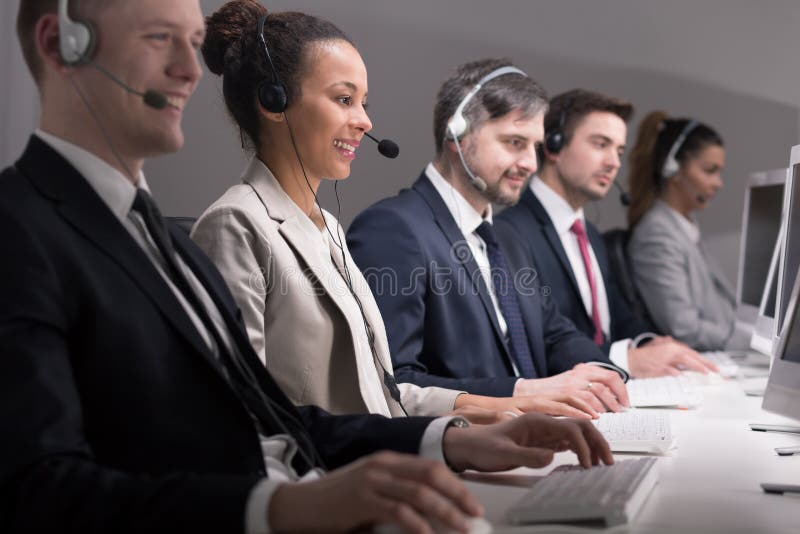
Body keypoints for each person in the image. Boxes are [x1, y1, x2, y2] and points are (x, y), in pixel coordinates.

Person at [0, 1, 614, 532]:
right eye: (161, 39)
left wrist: (456, 439)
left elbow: (278, 419)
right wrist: (282, 508)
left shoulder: (168, 242)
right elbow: (42, 490)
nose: (191, 72)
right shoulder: (31, 229)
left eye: (192, 44)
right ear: (61, 44)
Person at [190, 2, 598, 422]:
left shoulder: (327, 228)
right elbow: (246, 419)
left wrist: (507, 409)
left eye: (364, 102)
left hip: (373, 456)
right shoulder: (235, 225)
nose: (365, 121)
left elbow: (387, 394)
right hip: (324, 476)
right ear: (273, 101)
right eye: (344, 99)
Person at [348, 58, 632, 415]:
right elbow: (392, 383)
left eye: (535, 146)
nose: (531, 163)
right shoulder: (393, 230)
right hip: (460, 454)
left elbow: (554, 333)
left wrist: (604, 375)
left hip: (532, 441)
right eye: (515, 142)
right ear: (457, 134)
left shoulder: (507, 239)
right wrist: (522, 392)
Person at [495, 89, 718, 377]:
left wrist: (649, 342)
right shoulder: (509, 234)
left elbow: (618, 316)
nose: (614, 162)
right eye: (601, 144)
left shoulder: (591, 235)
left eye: (619, 151)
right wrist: (626, 360)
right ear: (553, 145)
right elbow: (536, 344)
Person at [626, 110, 736, 351]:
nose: (718, 183)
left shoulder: (684, 227)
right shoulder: (657, 235)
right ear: (672, 169)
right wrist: (746, 341)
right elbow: (683, 328)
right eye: (709, 170)